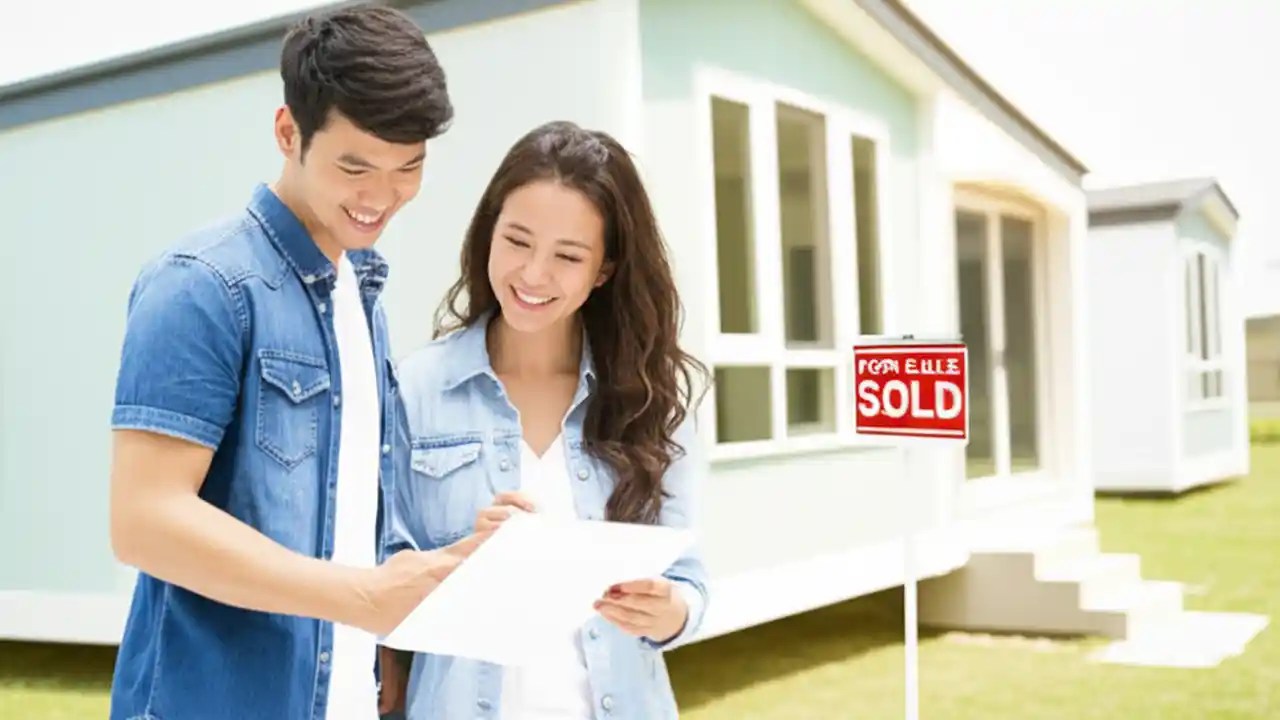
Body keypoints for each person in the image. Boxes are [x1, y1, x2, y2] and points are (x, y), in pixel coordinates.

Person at [106, 5, 485, 720]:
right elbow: (144, 519)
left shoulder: (360, 291)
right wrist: (362, 596)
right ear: (289, 133)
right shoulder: (202, 285)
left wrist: (453, 559)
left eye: (409, 168)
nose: (382, 197)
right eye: (355, 166)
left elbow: (343, 519)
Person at [377, 121, 711, 720]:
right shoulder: (415, 390)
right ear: (488, 234)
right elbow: (378, 577)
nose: (533, 274)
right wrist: (465, 558)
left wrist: (670, 612)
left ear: (603, 269)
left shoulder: (649, 400)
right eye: (517, 241)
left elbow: (689, 584)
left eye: (567, 256)